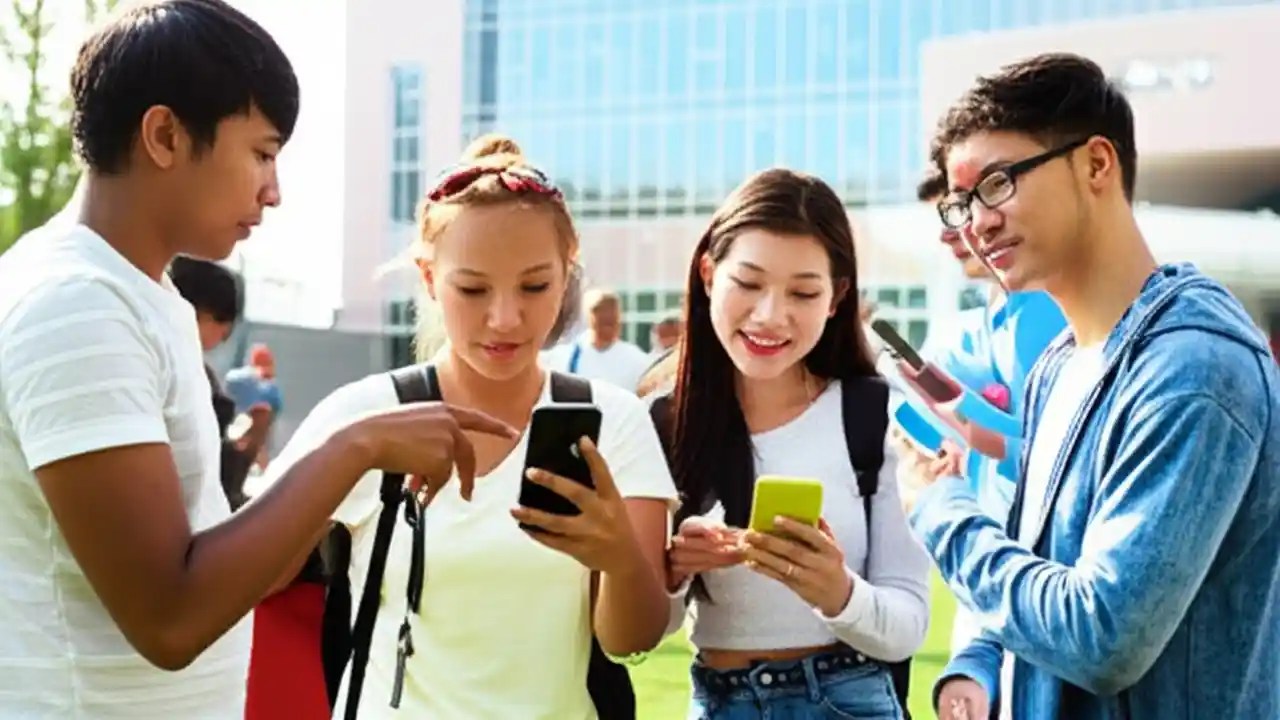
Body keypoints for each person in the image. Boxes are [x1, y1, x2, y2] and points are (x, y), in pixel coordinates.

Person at [0, 3, 516, 717]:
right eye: (263, 153)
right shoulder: (78, 307)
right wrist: (357, 446)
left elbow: (209, 550)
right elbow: (169, 618)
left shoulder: (142, 295)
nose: (274, 191)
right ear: (164, 135)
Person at [901, 53, 1280, 720]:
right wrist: (978, 662)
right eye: (961, 203)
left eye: (997, 184)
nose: (975, 223)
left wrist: (941, 510)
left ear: (1097, 164)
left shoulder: (1195, 370)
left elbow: (1103, 637)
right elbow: (1036, 566)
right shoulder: (1057, 363)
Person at [263, 134, 676, 718]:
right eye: (473, 288)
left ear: (567, 275)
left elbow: (630, 639)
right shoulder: (363, 414)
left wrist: (619, 556)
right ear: (429, 279)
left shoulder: (614, 421)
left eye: (535, 286)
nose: (505, 318)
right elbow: (252, 580)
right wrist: (352, 454)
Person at [656, 169, 931, 719]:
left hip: (847, 699)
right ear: (709, 274)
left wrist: (836, 591)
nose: (770, 316)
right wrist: (674, 572)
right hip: (718, 701)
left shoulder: (876, 413)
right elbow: (635, 635)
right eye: (749, 283)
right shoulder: (662, 421)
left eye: (803, 292)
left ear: (836, 299)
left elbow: (906, 628)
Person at [899, 169, 1066, 657]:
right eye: (943, 220)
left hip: (1039, 572)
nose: (950, 235)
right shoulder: (977, 321)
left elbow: (1045, 452)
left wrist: (954, 408)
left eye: (957, 215)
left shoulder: (1043, 310)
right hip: (985, 563)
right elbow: (924, 433)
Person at [168, 255, 272, 508]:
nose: (223, 337)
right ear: (196, 312)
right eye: (221, 324)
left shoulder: (191, 369)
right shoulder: (178, 371)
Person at [544, 287, 651, 391]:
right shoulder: (563, 356)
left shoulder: (637, 359)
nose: (607, 316)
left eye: (612, 315)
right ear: (589, 316)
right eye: (601, 312)